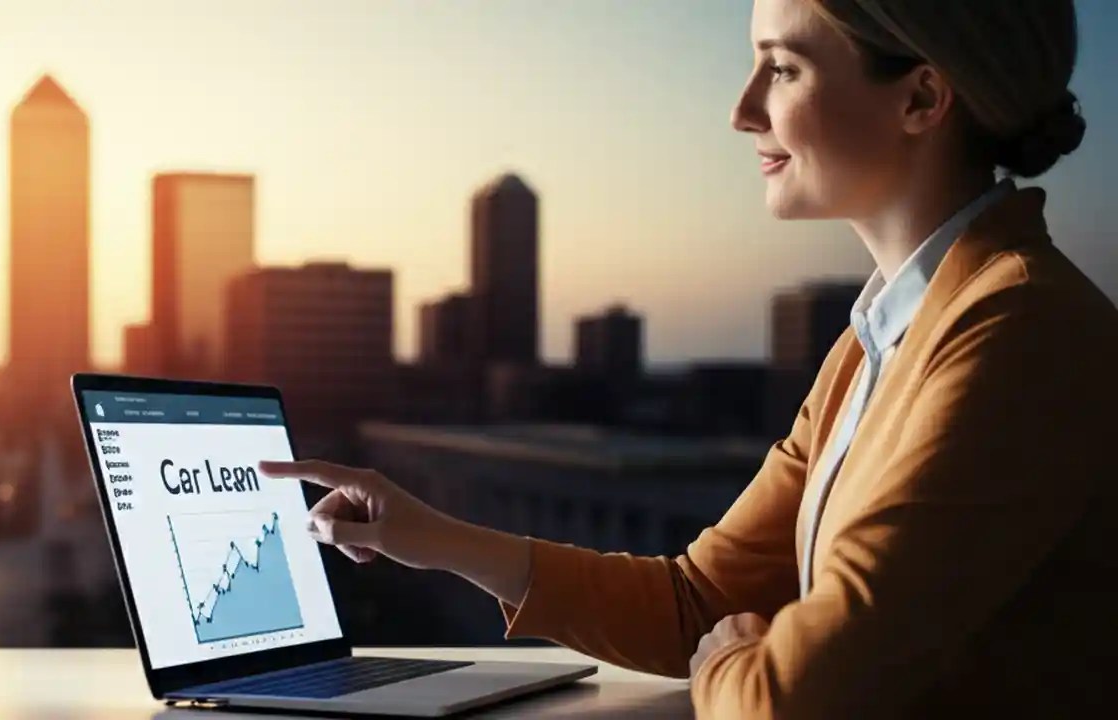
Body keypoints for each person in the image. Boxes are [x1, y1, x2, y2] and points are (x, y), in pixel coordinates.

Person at [261, 0, 1118, 716]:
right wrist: (434, 537)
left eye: (782, 69)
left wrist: (729, 664)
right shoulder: (879, 343)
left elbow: (789, 702)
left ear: (922, 97)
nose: (742, 110)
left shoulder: (1019, 330)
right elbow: (697, 603)